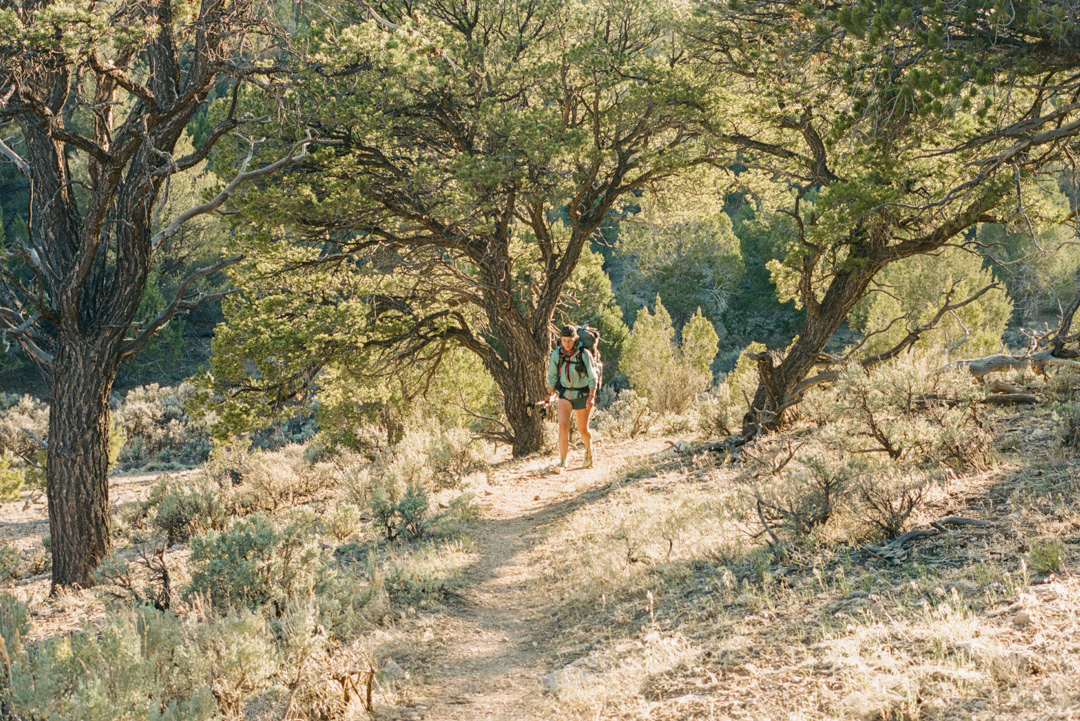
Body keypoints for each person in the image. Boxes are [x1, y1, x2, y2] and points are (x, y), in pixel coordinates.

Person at [546, 325, 598, 473]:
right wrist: (549, 394)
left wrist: (591, 396)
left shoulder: (584, 354)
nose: (567, 344)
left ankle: (589, 452)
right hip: (565, 394)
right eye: (564, 340)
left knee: (583, 430)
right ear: (560, 340)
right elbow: (552, 375)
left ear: (575, 340)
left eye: (570, 340)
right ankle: (562, 461)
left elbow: (592, 376)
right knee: (563, 427)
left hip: (582, 395)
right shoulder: (557, 355)